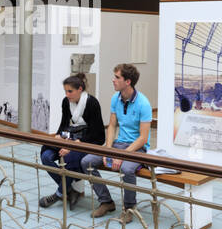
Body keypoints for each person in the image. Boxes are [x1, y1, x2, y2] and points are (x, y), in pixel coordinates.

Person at [81, 63, 152, 220]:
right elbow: (112, 125)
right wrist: (108, 149)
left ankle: (129, 207)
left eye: (117, 77)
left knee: (126, 169)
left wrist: (122, 155)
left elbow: (143, 138)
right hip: (118, 144)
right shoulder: (116, 98)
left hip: (138, 148)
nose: (113, 80)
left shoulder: (143, 103)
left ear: (128, 81)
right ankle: (106, 201)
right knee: (87, 162)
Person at [39, 73, 105, 209]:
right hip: (71, 137)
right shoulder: (66, 102)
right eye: (65, 91)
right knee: (46, 156)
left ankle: (59, 194)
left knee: (70, 156)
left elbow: (98, 133)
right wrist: (59, 136)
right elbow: (64, 124)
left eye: (70, 91)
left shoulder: (92, 103)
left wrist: (76, 144)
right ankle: (68, 190)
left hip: (88, 140)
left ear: (80, 89)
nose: (67, 95)